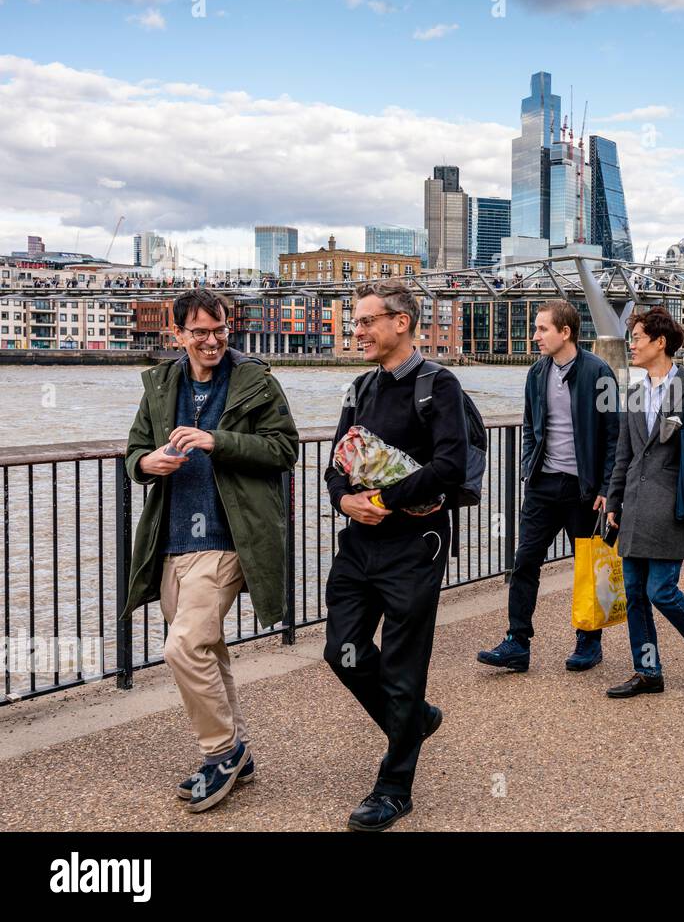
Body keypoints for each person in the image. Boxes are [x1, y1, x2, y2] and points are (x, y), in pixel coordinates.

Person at [123, 288, 299, 814]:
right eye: (198, 331)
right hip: (173, 540)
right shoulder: (161, 383)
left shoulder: (256, 381)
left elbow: (284, 449)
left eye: (219, 329)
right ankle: (239, 754)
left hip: (228, 538)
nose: (211, 340)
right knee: (207, 648)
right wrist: (145, 464)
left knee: (182, 647)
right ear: (177, 335)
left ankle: (220, 753)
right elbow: (134, 448)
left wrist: (217, 441)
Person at [323, 280, 469, 831]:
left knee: (406, 664)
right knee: (343, 651)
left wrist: (381, 497)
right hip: (359, 543)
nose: (355, 331)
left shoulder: (439, 386)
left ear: (400, 322)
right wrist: (345, 499)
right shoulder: (359, 388)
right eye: (355, 322)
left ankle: (394, 787)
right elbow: (336, 463)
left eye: (365, 322)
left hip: (417, 543)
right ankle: (415, 721)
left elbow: (449, 467)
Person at [477, 301, 619, 672]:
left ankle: (589, 641)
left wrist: (606, 486)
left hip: (584, 490)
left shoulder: (599, 372)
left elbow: (613, 435)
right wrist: (528, 467)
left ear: (565, 332)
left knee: (588, 567)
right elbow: (530, 425)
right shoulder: (537, 373)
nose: (536, 336)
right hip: (542, 484)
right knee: (525, 561)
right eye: (536, 329)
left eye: (542, 330)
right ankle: (517, 642)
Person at [604, 306, 684, 697]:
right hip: (635, 506)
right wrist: (613, 502)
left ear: (660, 342)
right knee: (635, 594)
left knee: (661, 591)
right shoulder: (634, 392)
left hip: (672, 505)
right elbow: (625, 455)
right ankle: (648, 671)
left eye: (637, 338)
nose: (631, 345)